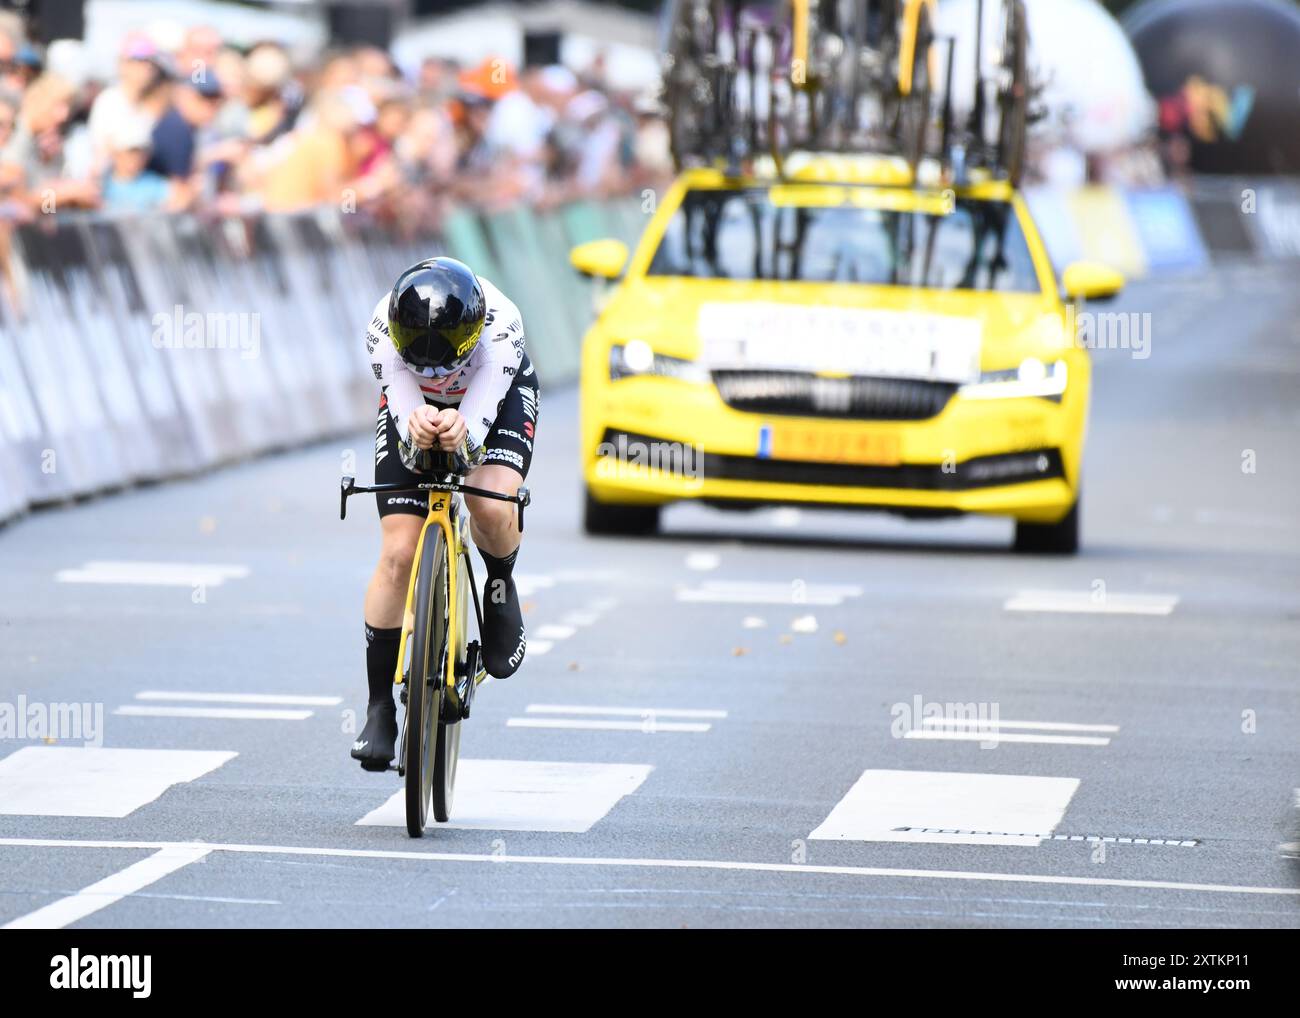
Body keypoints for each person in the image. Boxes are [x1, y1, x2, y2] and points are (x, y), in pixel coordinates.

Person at [351, 257, 538, 771]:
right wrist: (420, 419)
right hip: (412, 411)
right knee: (398, 553)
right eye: (422, 363)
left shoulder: (503, 329)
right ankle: (378, 708)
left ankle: (500, 584)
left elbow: (472, 434)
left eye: (446, 363)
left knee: (487, 500)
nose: (435, 373)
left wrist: (464, 430)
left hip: (491, 402)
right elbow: (407, 412)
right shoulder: (379, 333)